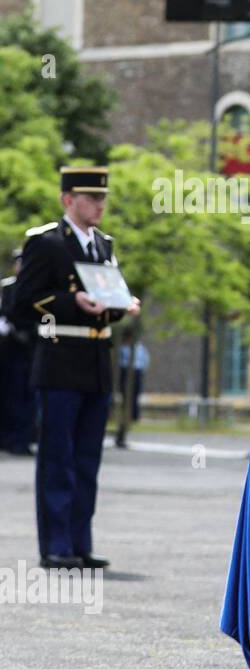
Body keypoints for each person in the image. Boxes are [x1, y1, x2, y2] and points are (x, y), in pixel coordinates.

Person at [13, 166, 141, 570]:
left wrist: (123, 306)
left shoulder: (104, 245)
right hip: (60, 357)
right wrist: (73, 303)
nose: (100, 205)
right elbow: (22, 301)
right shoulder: (47, 242)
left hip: (96, 361)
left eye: (103, 198)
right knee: (58, 456)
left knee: (87, 458)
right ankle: (55, 545)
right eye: (91, 198)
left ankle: (80, 542)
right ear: (68, 199)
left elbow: (108, 297)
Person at [0, 248, 37, 455]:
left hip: (33, 348)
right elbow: (7, 313)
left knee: (29, 398)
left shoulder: (37, 287)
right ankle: (10, 439)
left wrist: (46, 338)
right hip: (13, 348)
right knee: (12, 396)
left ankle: (24, 439)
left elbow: (46, 318)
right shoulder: (9, 287)